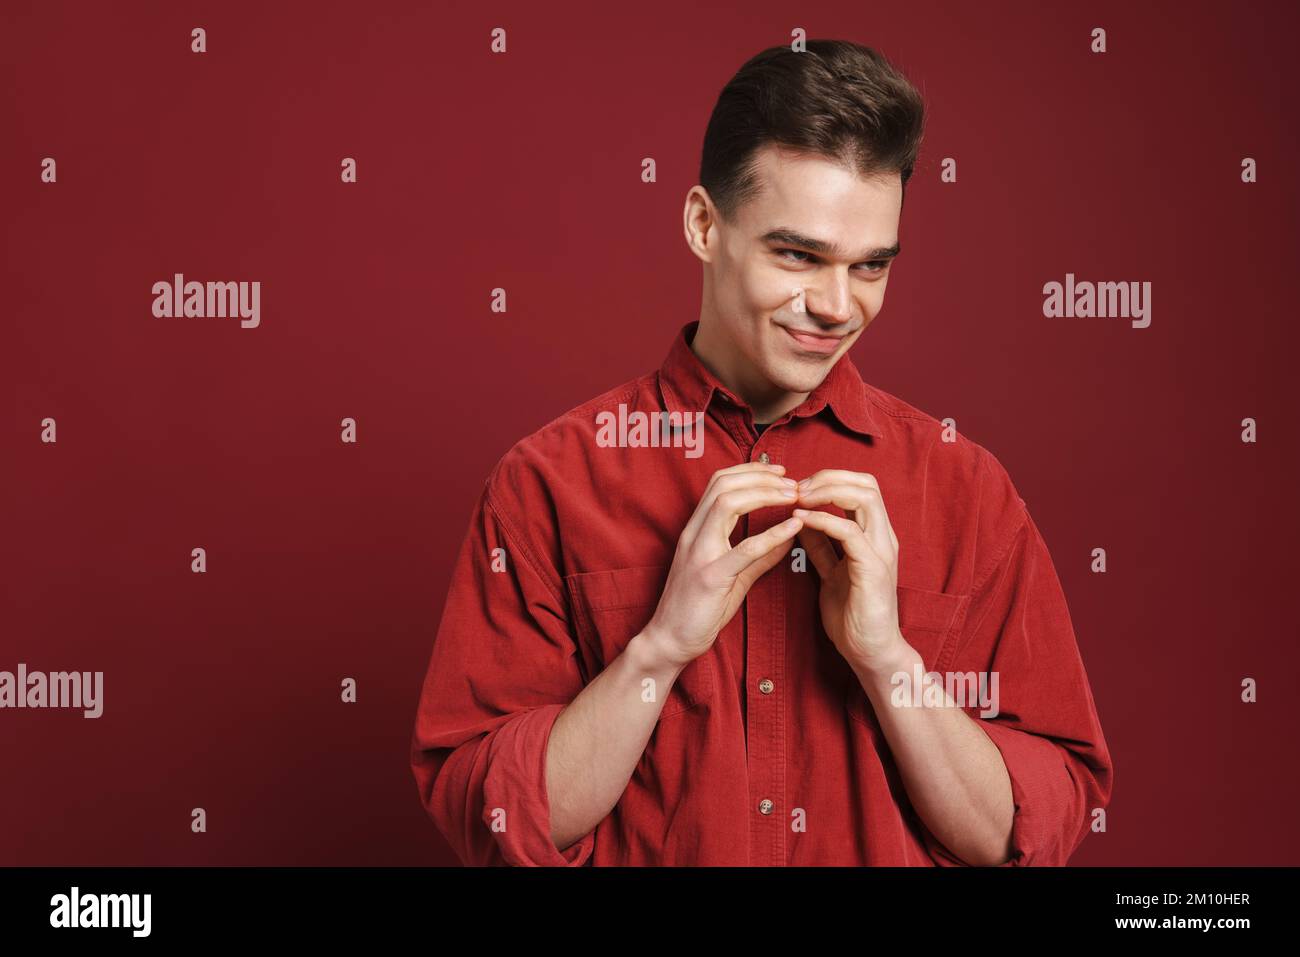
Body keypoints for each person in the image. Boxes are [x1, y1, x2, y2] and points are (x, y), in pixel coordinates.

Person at [409, 38, 1113, 866]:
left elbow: (1032, 831)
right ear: (705, 225)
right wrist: (661, 645)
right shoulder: (547, 484)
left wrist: (888, 661)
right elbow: (487, 816)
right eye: (798, 255)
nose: (836, 305)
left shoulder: (969, 490)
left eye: (871, 266)